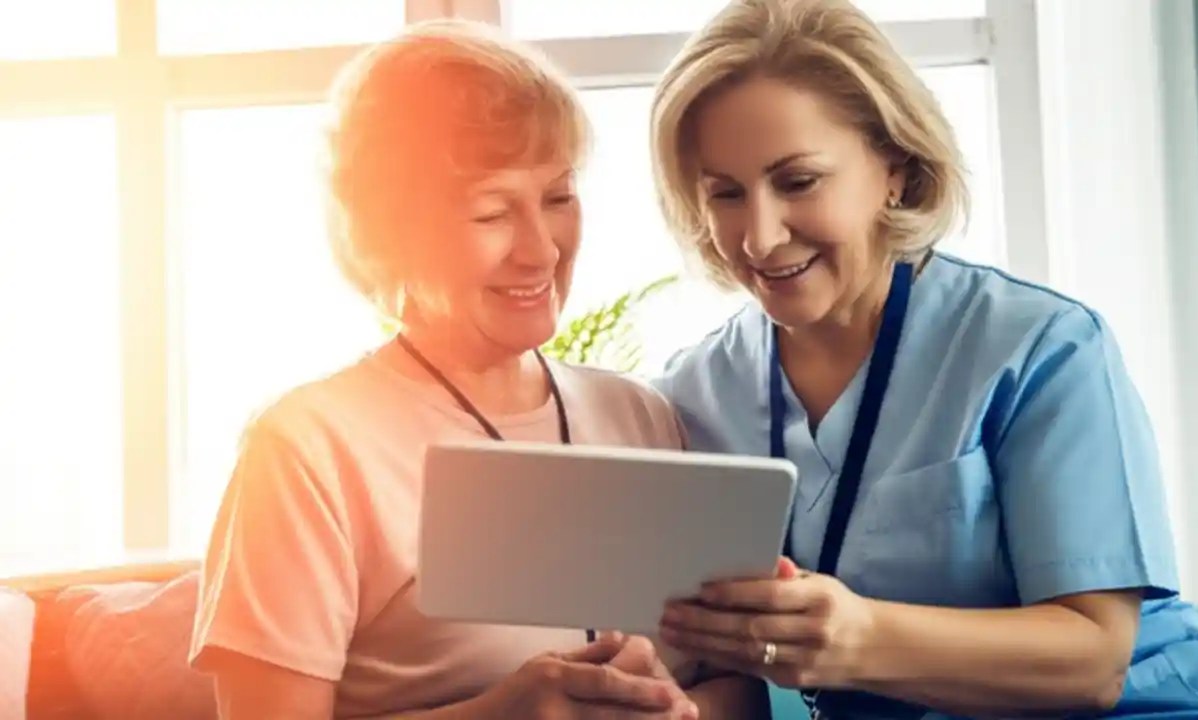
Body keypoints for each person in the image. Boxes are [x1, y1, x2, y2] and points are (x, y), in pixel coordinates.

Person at [647, 1, 1198, 718]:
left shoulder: (1041, 348)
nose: (759, 238)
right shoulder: (689, 397)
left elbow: (1095, 660)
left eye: (798, 182)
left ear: (895, 168)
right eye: (725, 194)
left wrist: (864, 639)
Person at [187, 19, 768, 720]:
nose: (541, 251)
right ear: (386, 232)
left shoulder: (639, 415)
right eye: (491, 212)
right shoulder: (310, 449)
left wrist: (673, 709)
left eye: (558, 197)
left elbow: (740, 690)